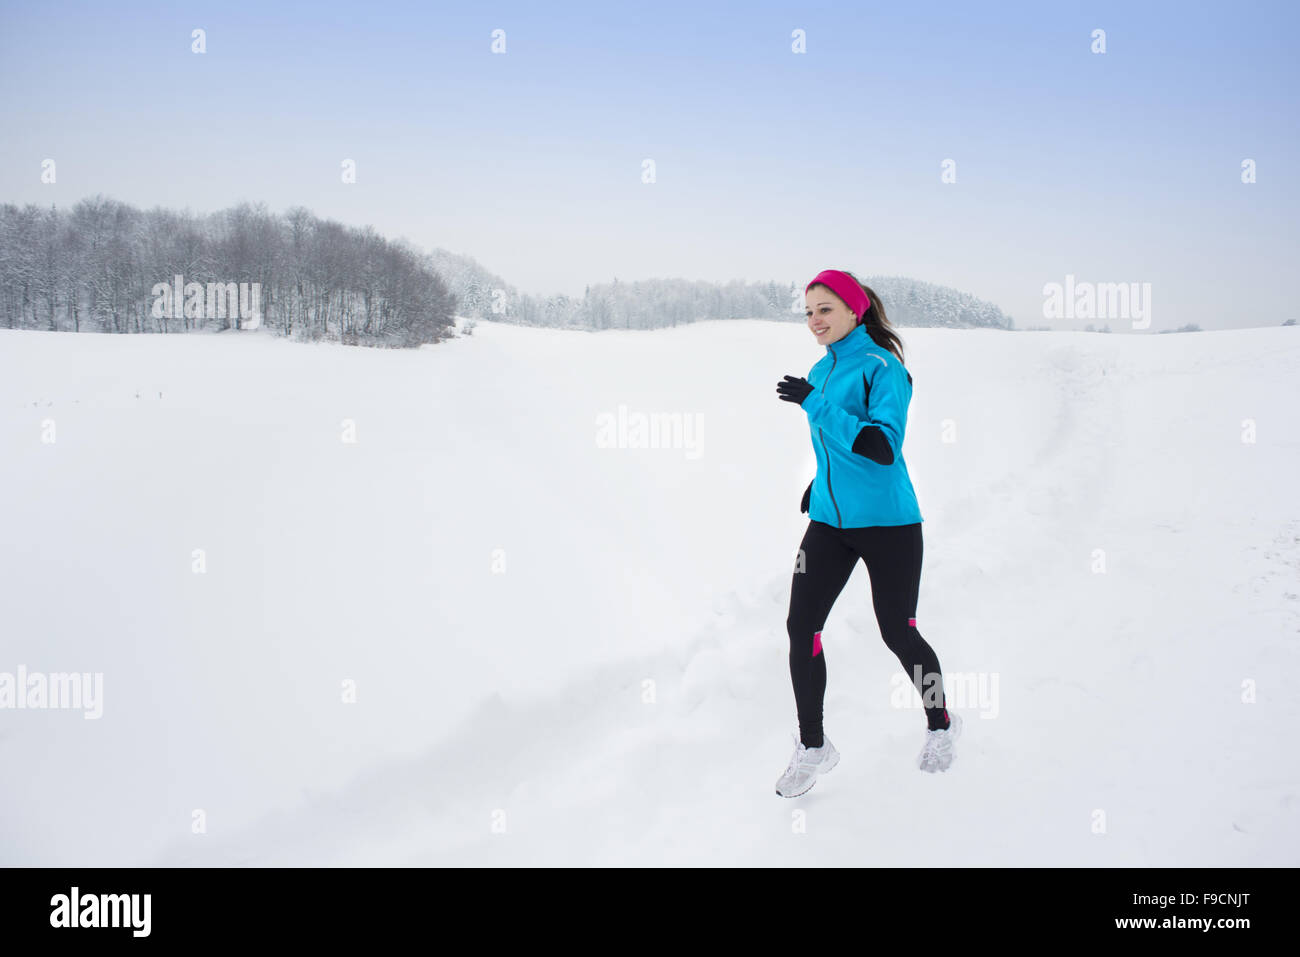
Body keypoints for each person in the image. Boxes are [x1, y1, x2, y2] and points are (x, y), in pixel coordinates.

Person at [773, 269, 961, 798]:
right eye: (809, 311)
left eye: (826, 309)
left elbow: (881, 446)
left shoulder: (884, 368)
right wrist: (821, 483)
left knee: (898, 632)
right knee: (800, 626)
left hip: (889, 524)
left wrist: (815, 402)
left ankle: (941, 725)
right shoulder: (821, 368)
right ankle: (814, 745)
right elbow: (838, 445)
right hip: (831, 525)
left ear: (855, 311)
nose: (815, 320)